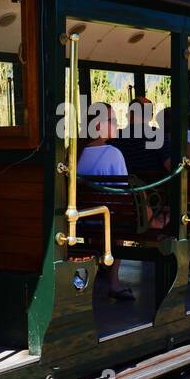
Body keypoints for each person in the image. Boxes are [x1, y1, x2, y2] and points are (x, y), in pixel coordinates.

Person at [76, 106, 135, 301]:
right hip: (107, 221)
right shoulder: (113, 153)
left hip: (81, 220)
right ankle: (114, 282)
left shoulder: (75, 151)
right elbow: (123, 191)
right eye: (113, 120)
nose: (117, 124)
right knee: (118, 219)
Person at [111, 97, 166, 176]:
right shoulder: (158, 135)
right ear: (151, 116)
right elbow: (171, 166)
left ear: (129, 115)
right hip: (154, 186)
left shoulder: (114, 137)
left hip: (125, 186)